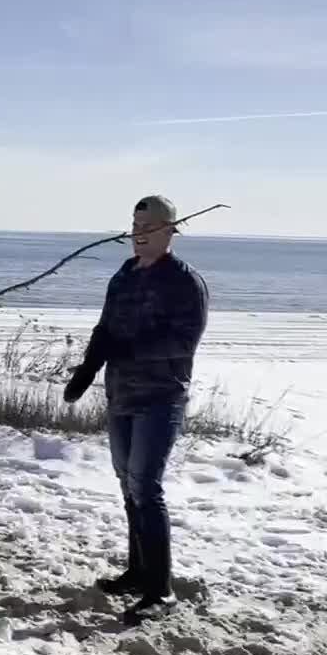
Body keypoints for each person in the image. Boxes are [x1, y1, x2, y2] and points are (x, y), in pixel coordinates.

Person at [63, 195, 209, 624]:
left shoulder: (184, 282)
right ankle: (138, 572)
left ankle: (161, 590)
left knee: (146, 486)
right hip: (121, 395)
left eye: (149, 227)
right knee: (128, 485)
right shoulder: (124, 275)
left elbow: (183, 341)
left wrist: (130, 349)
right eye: (135, 225)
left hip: (160, 398)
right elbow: (105, 328)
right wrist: (87, 369)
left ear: (170, 230)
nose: (139, 234)